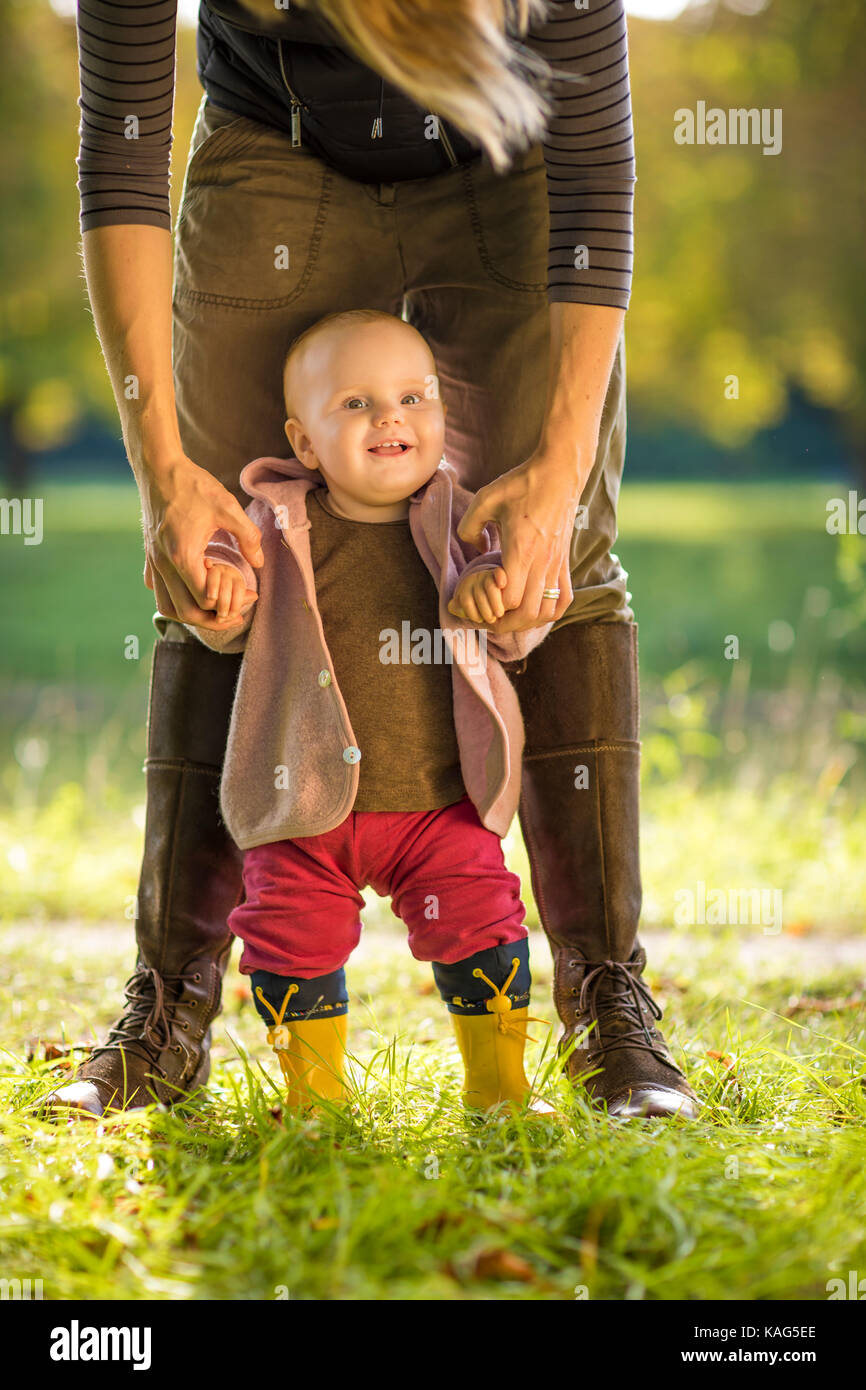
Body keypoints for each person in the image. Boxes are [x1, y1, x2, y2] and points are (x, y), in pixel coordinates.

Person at [48, 0, 698, 1120]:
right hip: (272, 144)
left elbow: (594, 168)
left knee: (556, 557)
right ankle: (166, 1011)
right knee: (218, 567)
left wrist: (558, 465)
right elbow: (121, 147)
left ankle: (608, 1002)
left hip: (506, 139)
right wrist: (162, 467)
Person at [183, 307, 556, 1115]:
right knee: (286, 929)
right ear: (305, 441)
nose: (390, 417)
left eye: (413, 398)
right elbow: (225, 610)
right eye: (355, 403)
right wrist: (217, 591)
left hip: (442, 802)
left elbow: (525, 630)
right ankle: (315, 1101)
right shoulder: (274, 524)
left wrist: (498, 599)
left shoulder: (464, 519)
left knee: (484, 918)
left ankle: (500, 1088)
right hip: (305, 802)